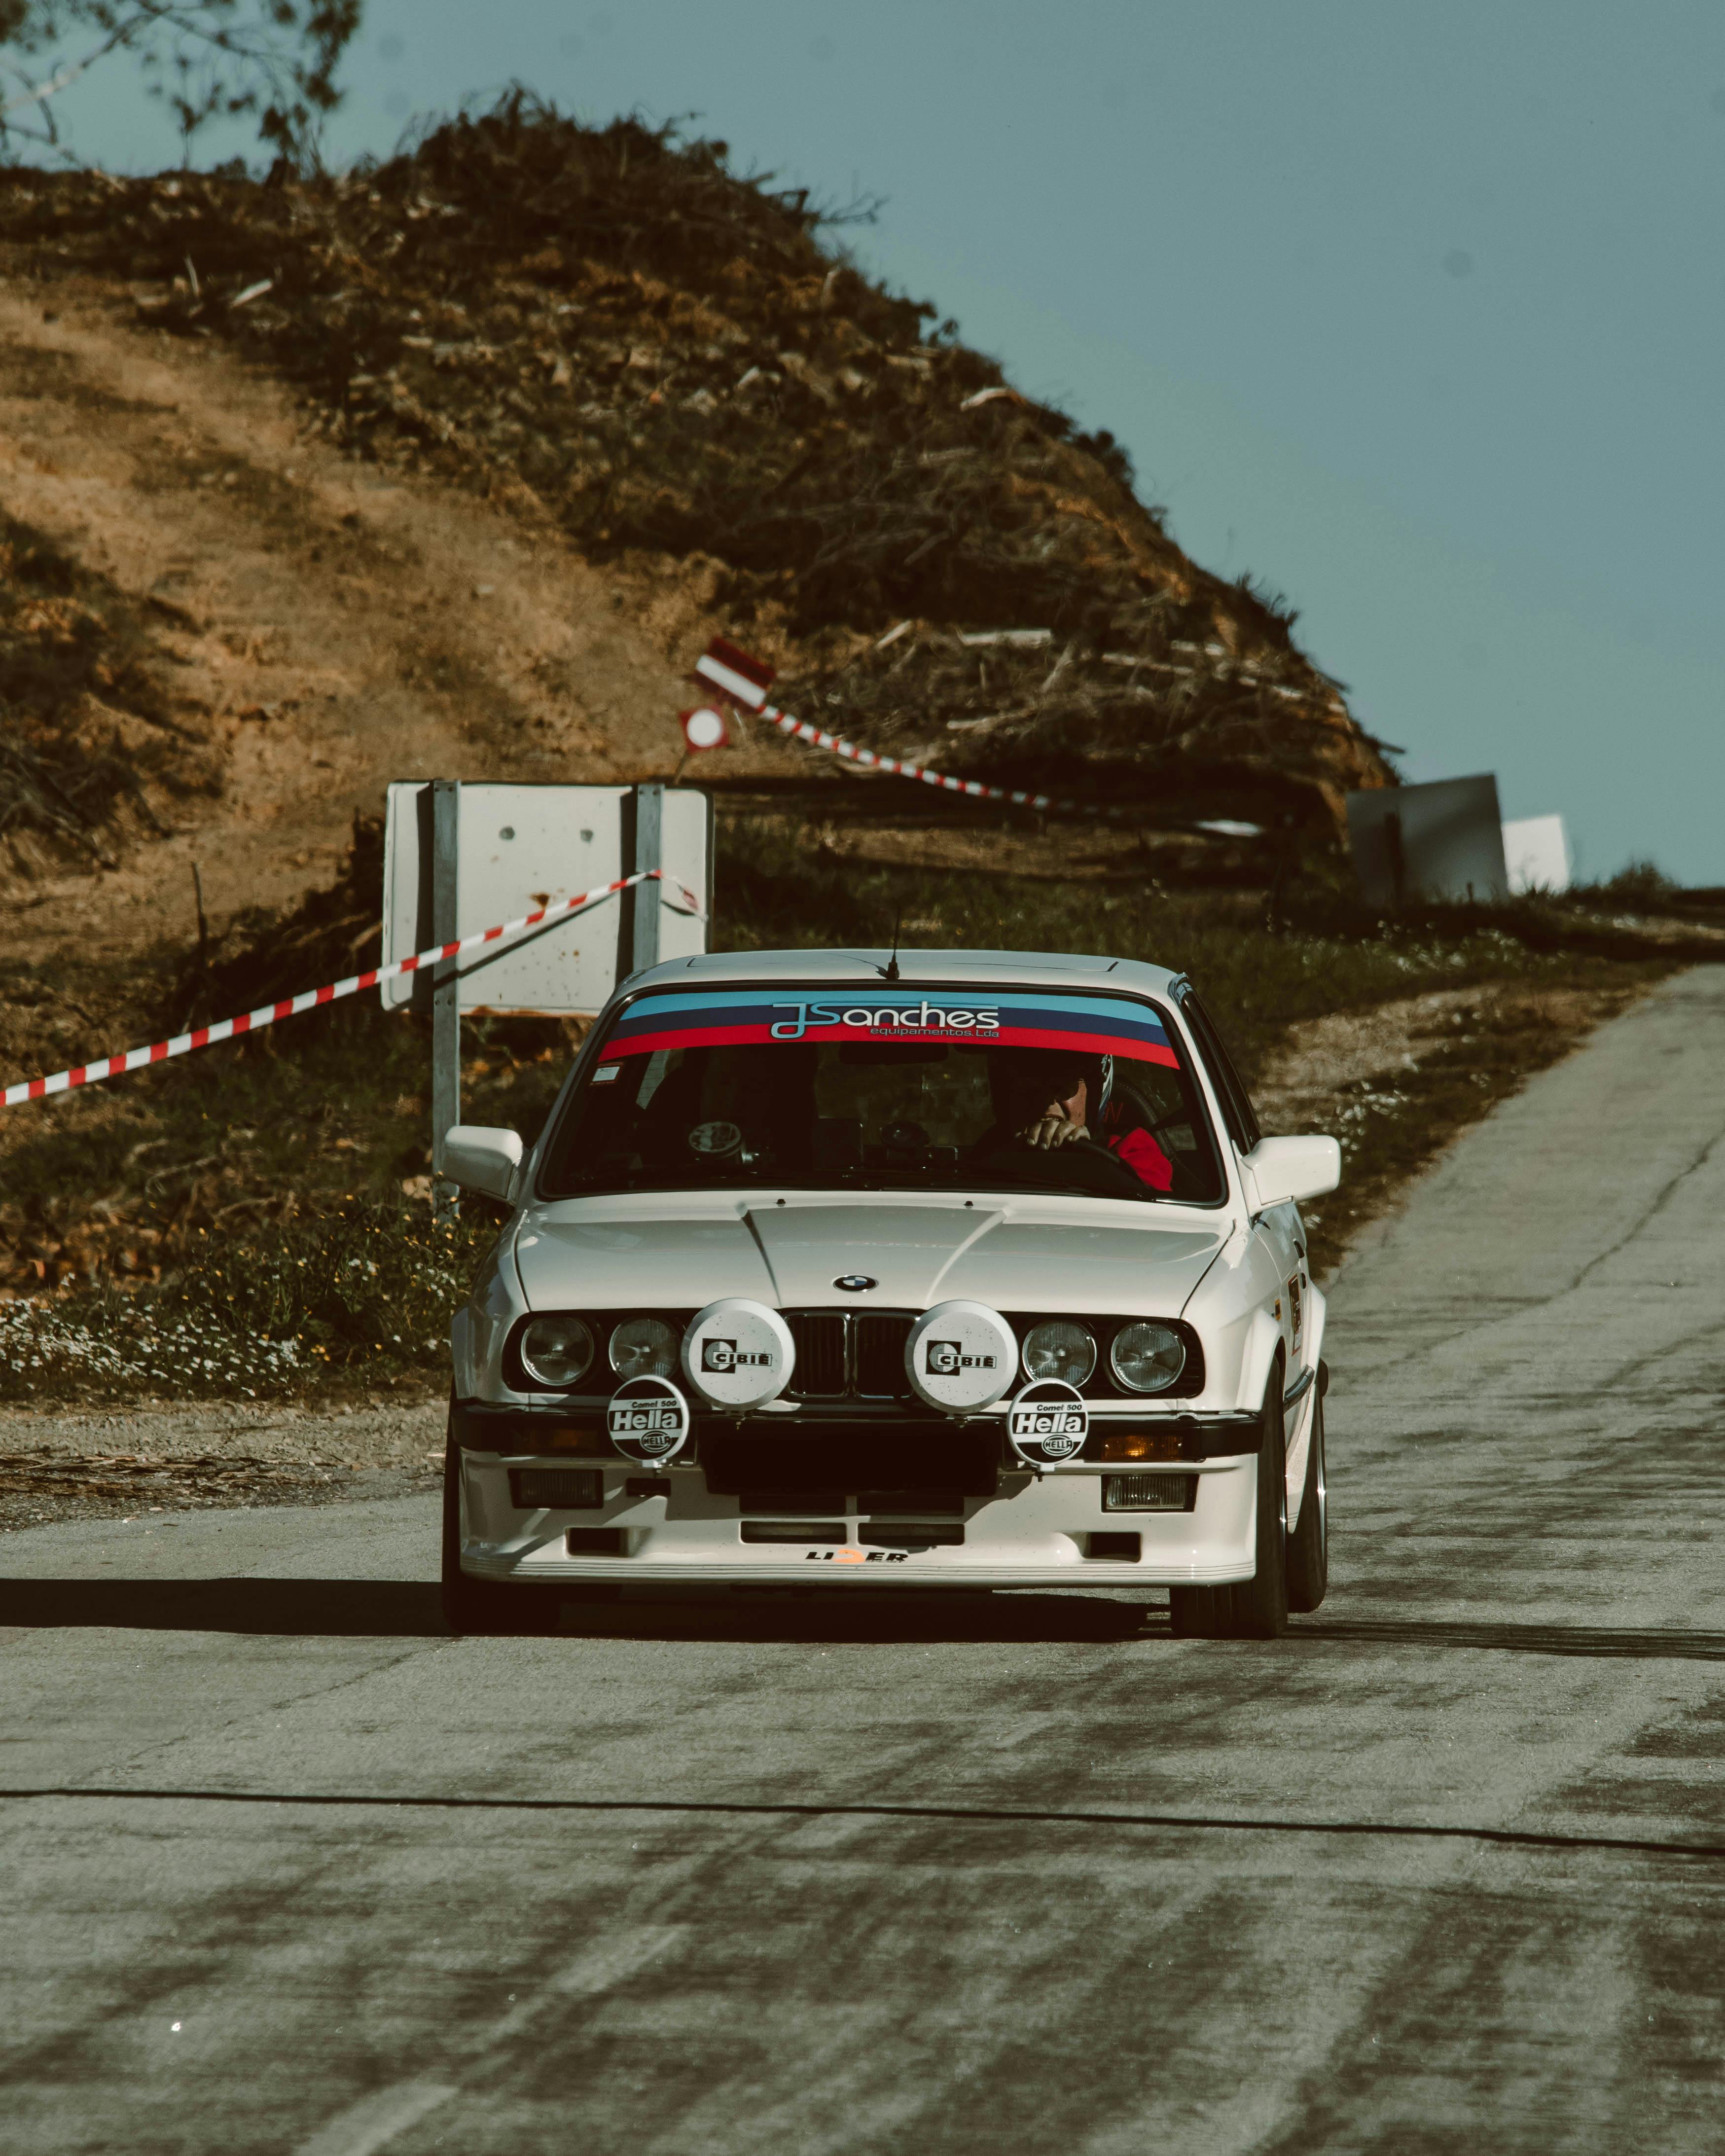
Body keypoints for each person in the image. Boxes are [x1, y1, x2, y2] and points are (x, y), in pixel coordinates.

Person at [978, 1050, 1174, 1191]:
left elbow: (1156, 1217)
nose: (1046, 1106)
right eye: (1029, 1089)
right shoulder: (986, 1152)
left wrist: (1092, 1162)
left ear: (1095, 1092)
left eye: (1064, 1088)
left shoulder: (1130, 1151)